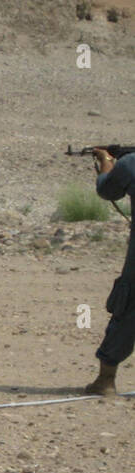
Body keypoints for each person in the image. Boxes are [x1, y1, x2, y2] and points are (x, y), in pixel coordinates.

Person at [84, 147, 135, 395]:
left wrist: (106, 161)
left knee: (127, 309)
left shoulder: (131, 164)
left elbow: (107, 189)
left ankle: (106, 380)